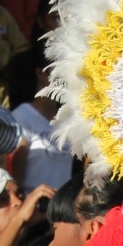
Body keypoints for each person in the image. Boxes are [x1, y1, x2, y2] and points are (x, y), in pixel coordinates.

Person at [10, 40, 76, 191]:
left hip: (61, 211)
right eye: (59, 70)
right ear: (41, 73)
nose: (65, 77)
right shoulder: (21, 118)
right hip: (34, 210)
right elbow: (14, 178)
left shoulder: (69, 119)